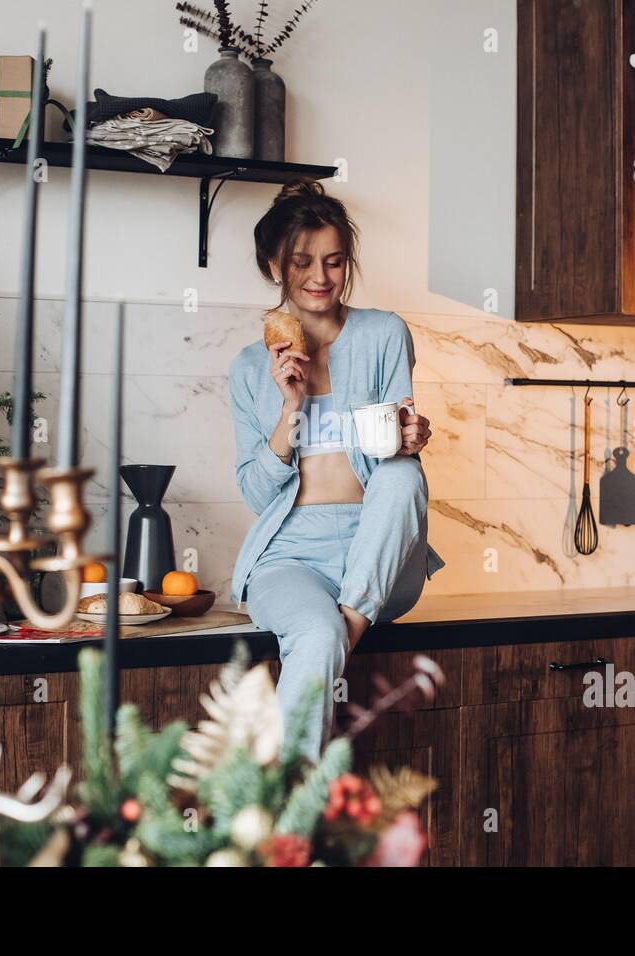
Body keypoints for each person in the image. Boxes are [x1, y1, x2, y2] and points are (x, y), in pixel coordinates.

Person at [227, 179, 445, 759]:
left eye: (334, 261)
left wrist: (410, 438)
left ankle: (343, 623)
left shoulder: (383, 333)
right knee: (313, 634)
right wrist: (290, 406)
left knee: (403, 475)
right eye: (302, 262)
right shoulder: (251, 367)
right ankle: (289, 810)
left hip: (380, 553)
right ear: (275, 263)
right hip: (291, 555)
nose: (320, 277)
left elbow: (395, 435)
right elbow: (255, 492)